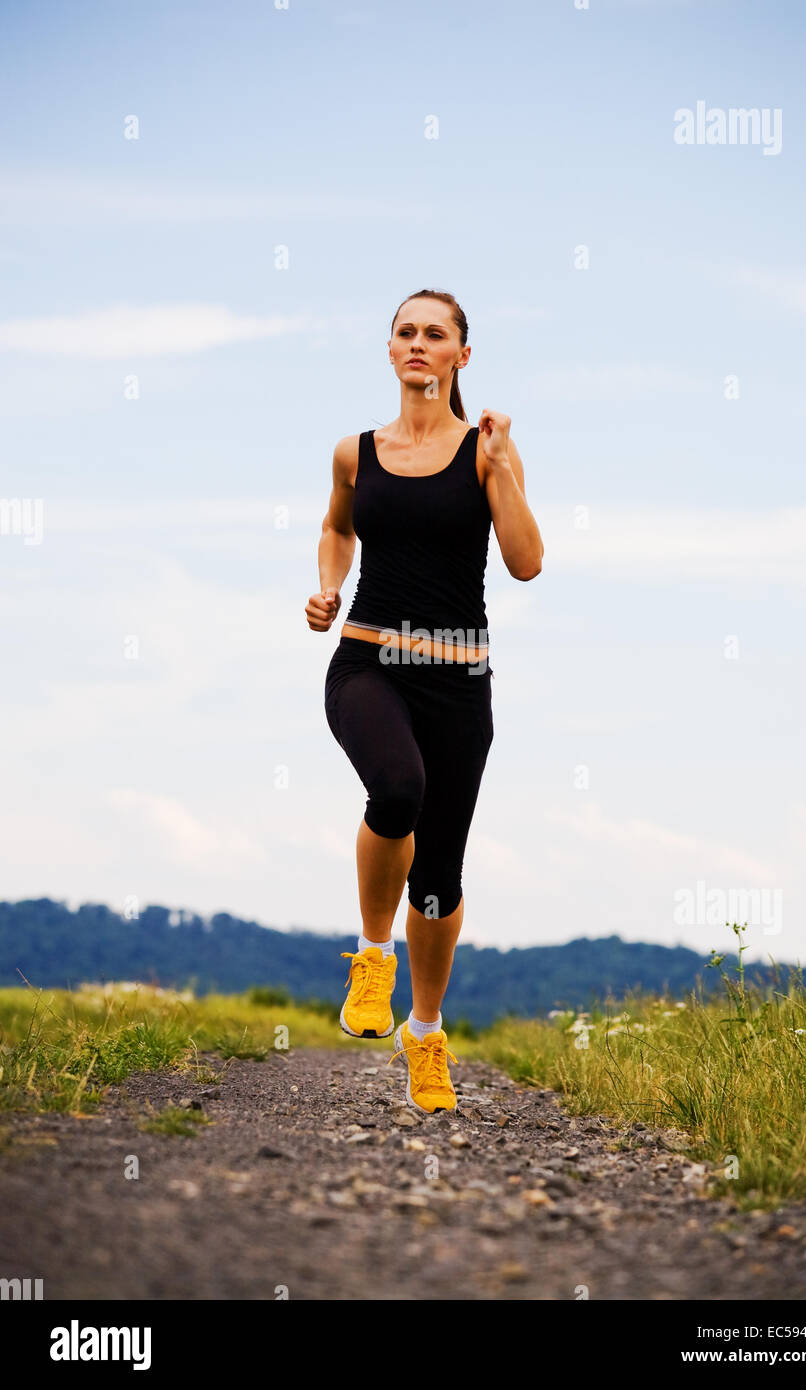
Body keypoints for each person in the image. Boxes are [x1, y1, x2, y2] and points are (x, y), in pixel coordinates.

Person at [306, 288, 543, 1114]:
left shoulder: (483, 454)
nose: (417, 343)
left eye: (434, 334)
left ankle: (427, 1032)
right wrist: (328, 588)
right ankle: (374, 957)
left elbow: (525, 562)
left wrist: (506, 468)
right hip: (368, 663)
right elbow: (338, 528)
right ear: (390, 348)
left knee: (439, 873)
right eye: (405, 331)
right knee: (397, 789)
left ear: (460, 357)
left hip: (459, 680)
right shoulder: (354, 452)